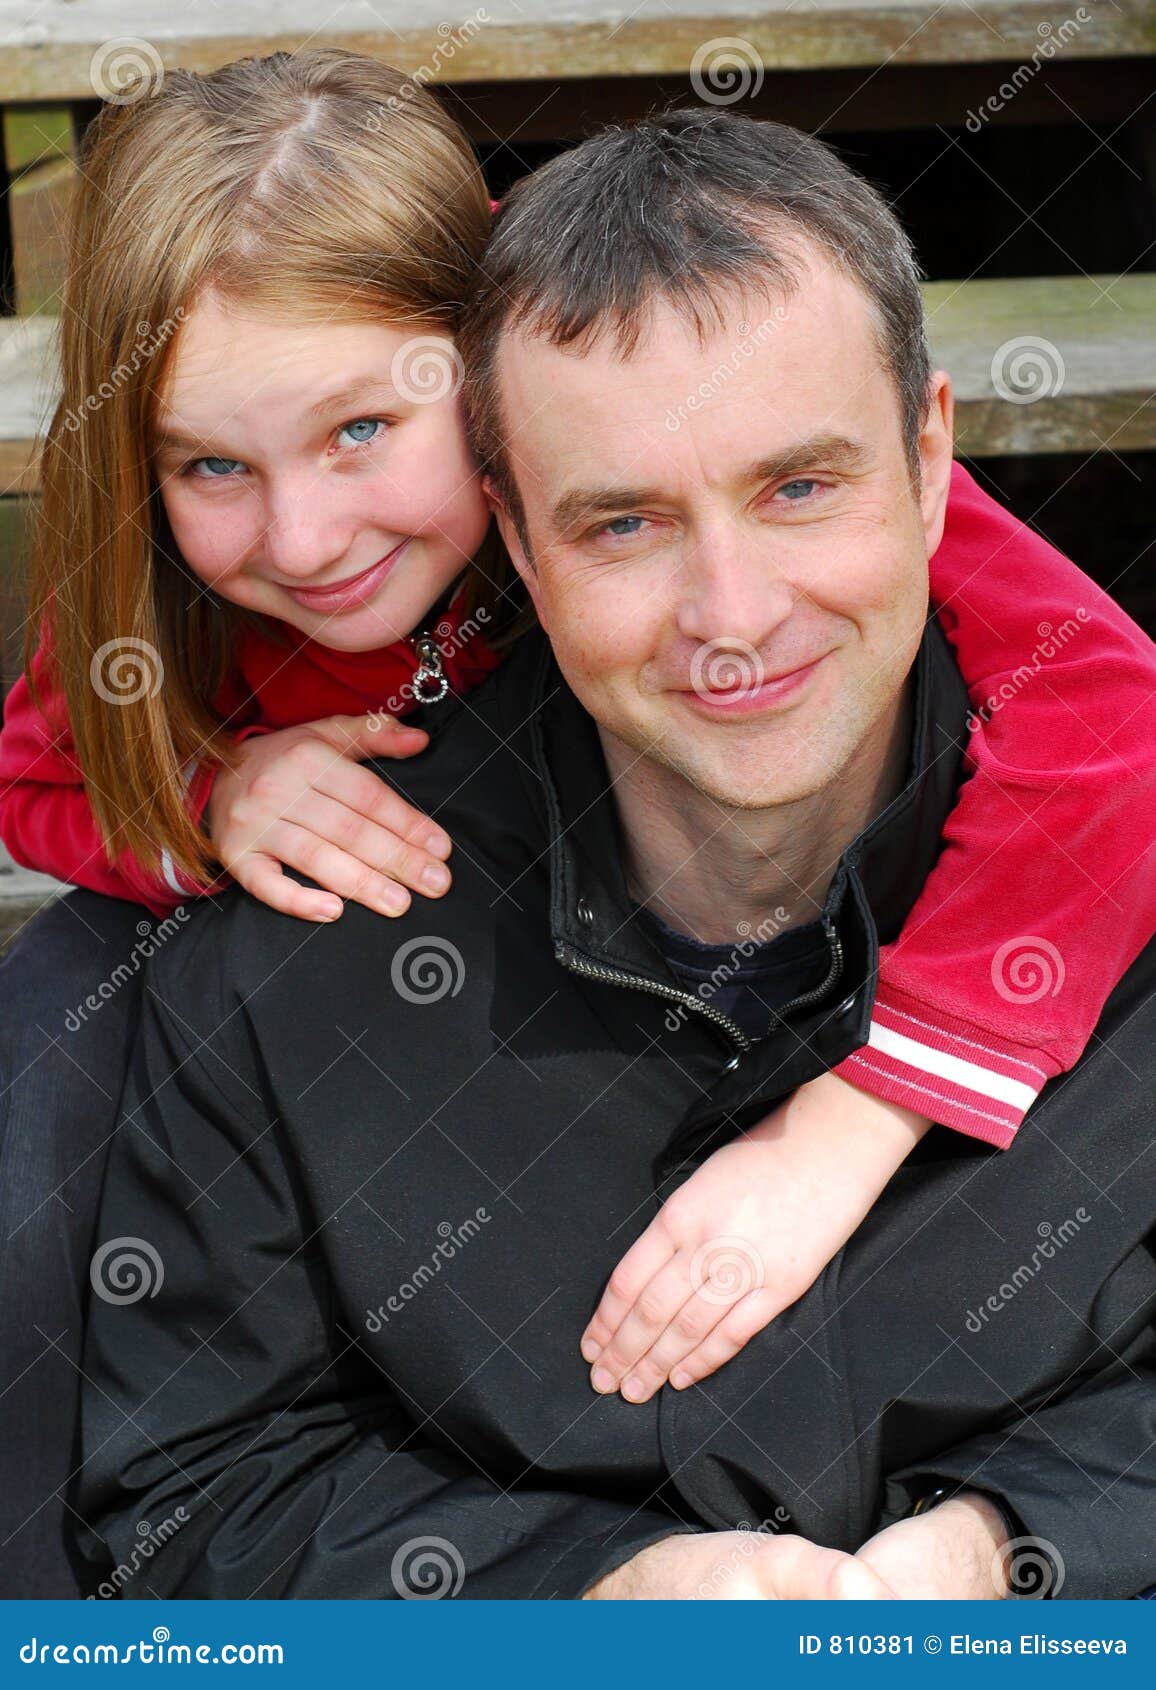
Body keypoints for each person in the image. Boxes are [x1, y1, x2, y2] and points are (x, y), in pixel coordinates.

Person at [70, 105, 1156, 1601]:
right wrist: (590, 1600)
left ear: (930, 454)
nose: (731, 611)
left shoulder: (1112, 836)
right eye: (627, 522)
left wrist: (1011, 1554)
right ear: (515, 536)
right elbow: (186, 1511)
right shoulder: (285, 951)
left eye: (798, 487)